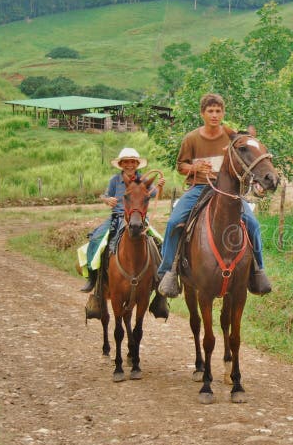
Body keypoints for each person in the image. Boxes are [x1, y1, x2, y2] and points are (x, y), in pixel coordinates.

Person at [157, 93, 271, 298]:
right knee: (174, 222)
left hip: (227, 191)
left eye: (218, 111)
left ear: (223, 113)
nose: (214, 115)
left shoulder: (231, 135)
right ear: (203, 114)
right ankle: (167, 271)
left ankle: (258, 272)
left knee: (252, 224)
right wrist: (195, 167)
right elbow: (181, 166)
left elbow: (247, 160)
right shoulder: (191, 138)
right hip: (199, 188)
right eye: (210, 111)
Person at [80, 147, 165, 293]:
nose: (129, 165)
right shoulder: (115, 180)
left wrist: (161, 186)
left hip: (139, 219)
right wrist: (108, 200)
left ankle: (160, 282)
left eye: (133, 162)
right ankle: (93, 278)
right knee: (95, 239)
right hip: (117, 216)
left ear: (137, 164)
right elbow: (105, 195)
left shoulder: (144, 181)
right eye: (126, 162)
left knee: (160, 243)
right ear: (121, 164)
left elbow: (157, 195)